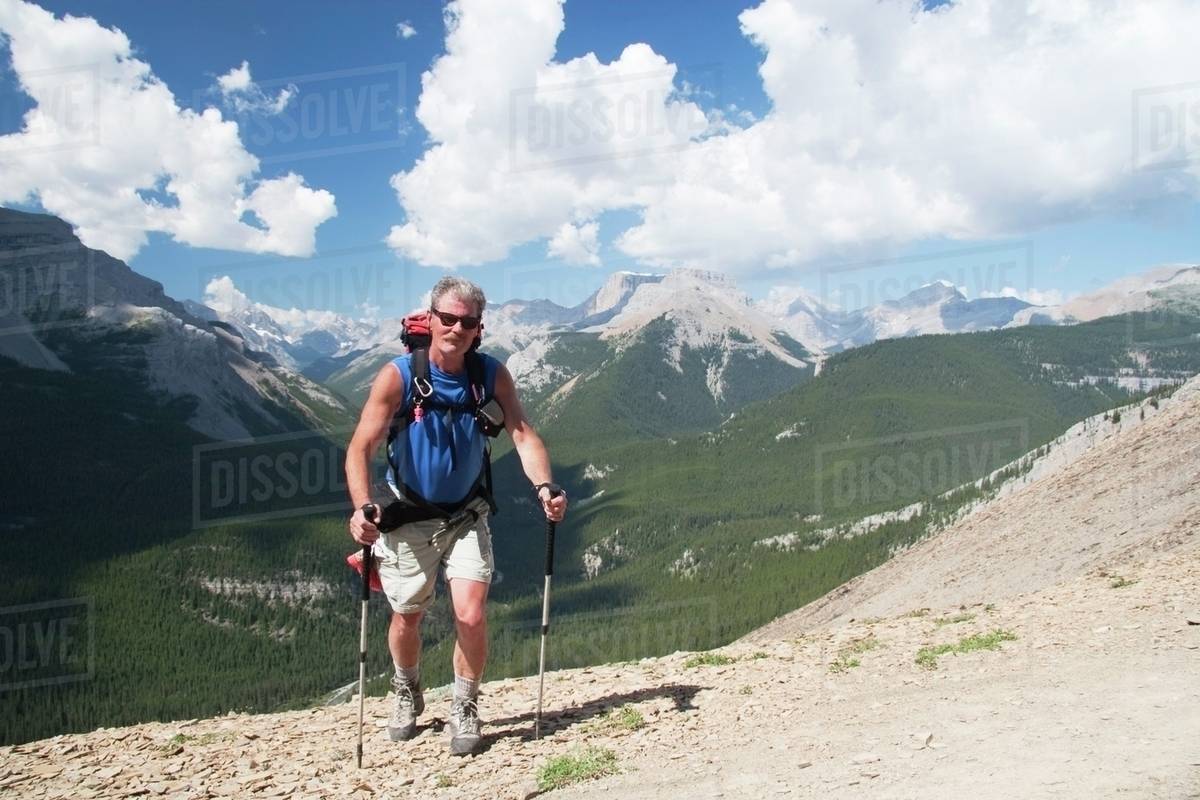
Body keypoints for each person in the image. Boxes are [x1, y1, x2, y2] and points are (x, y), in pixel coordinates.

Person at [345, 276, 567, 756]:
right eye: (449, 318)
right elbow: (360, 448)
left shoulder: (491, 375)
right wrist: (362, 508)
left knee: (470, 613)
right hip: (408, 516)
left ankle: (465, 703)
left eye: (468, 322)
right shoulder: (398, 376)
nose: (457, 329)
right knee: (407, 614)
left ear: (478, 327)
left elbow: (524, 434)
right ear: (430, 319)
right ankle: (407, 689)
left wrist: (544, 486)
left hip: (467, 514)